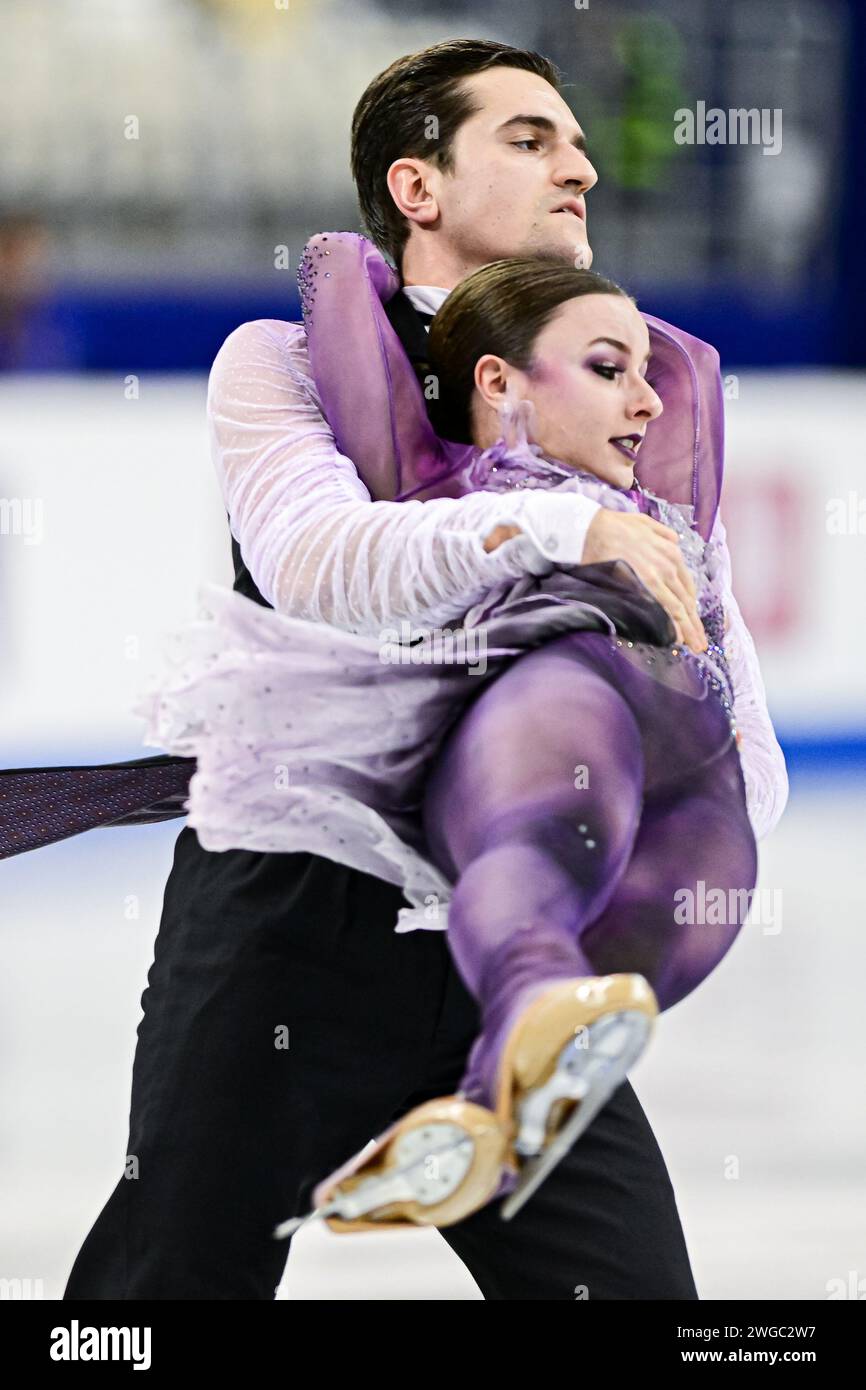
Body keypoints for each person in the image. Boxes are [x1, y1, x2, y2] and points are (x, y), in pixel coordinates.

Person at [4, 40, 786, 1299]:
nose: (578, 165)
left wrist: (731, 805)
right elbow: (321, 559)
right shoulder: (280, 361)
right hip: (285, 941)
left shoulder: (615, 379)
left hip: (510, 954)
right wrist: (558, 523)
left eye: (575, 142)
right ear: (416, 188)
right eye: (529, 139)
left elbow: (701, 618)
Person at [138, 248, 765, 1238]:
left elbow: (733, 684)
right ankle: (513, 1033)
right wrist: (560, 526)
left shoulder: (663, 506)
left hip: (681, 812)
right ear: (497, 382)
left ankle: (485, 1105)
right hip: (560, 719)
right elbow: (338, 555)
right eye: (609, 369)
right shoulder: (452, 492)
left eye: (645, 372)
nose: (647, 401)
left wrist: (737, 771)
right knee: (540, 839)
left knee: (612, 954)